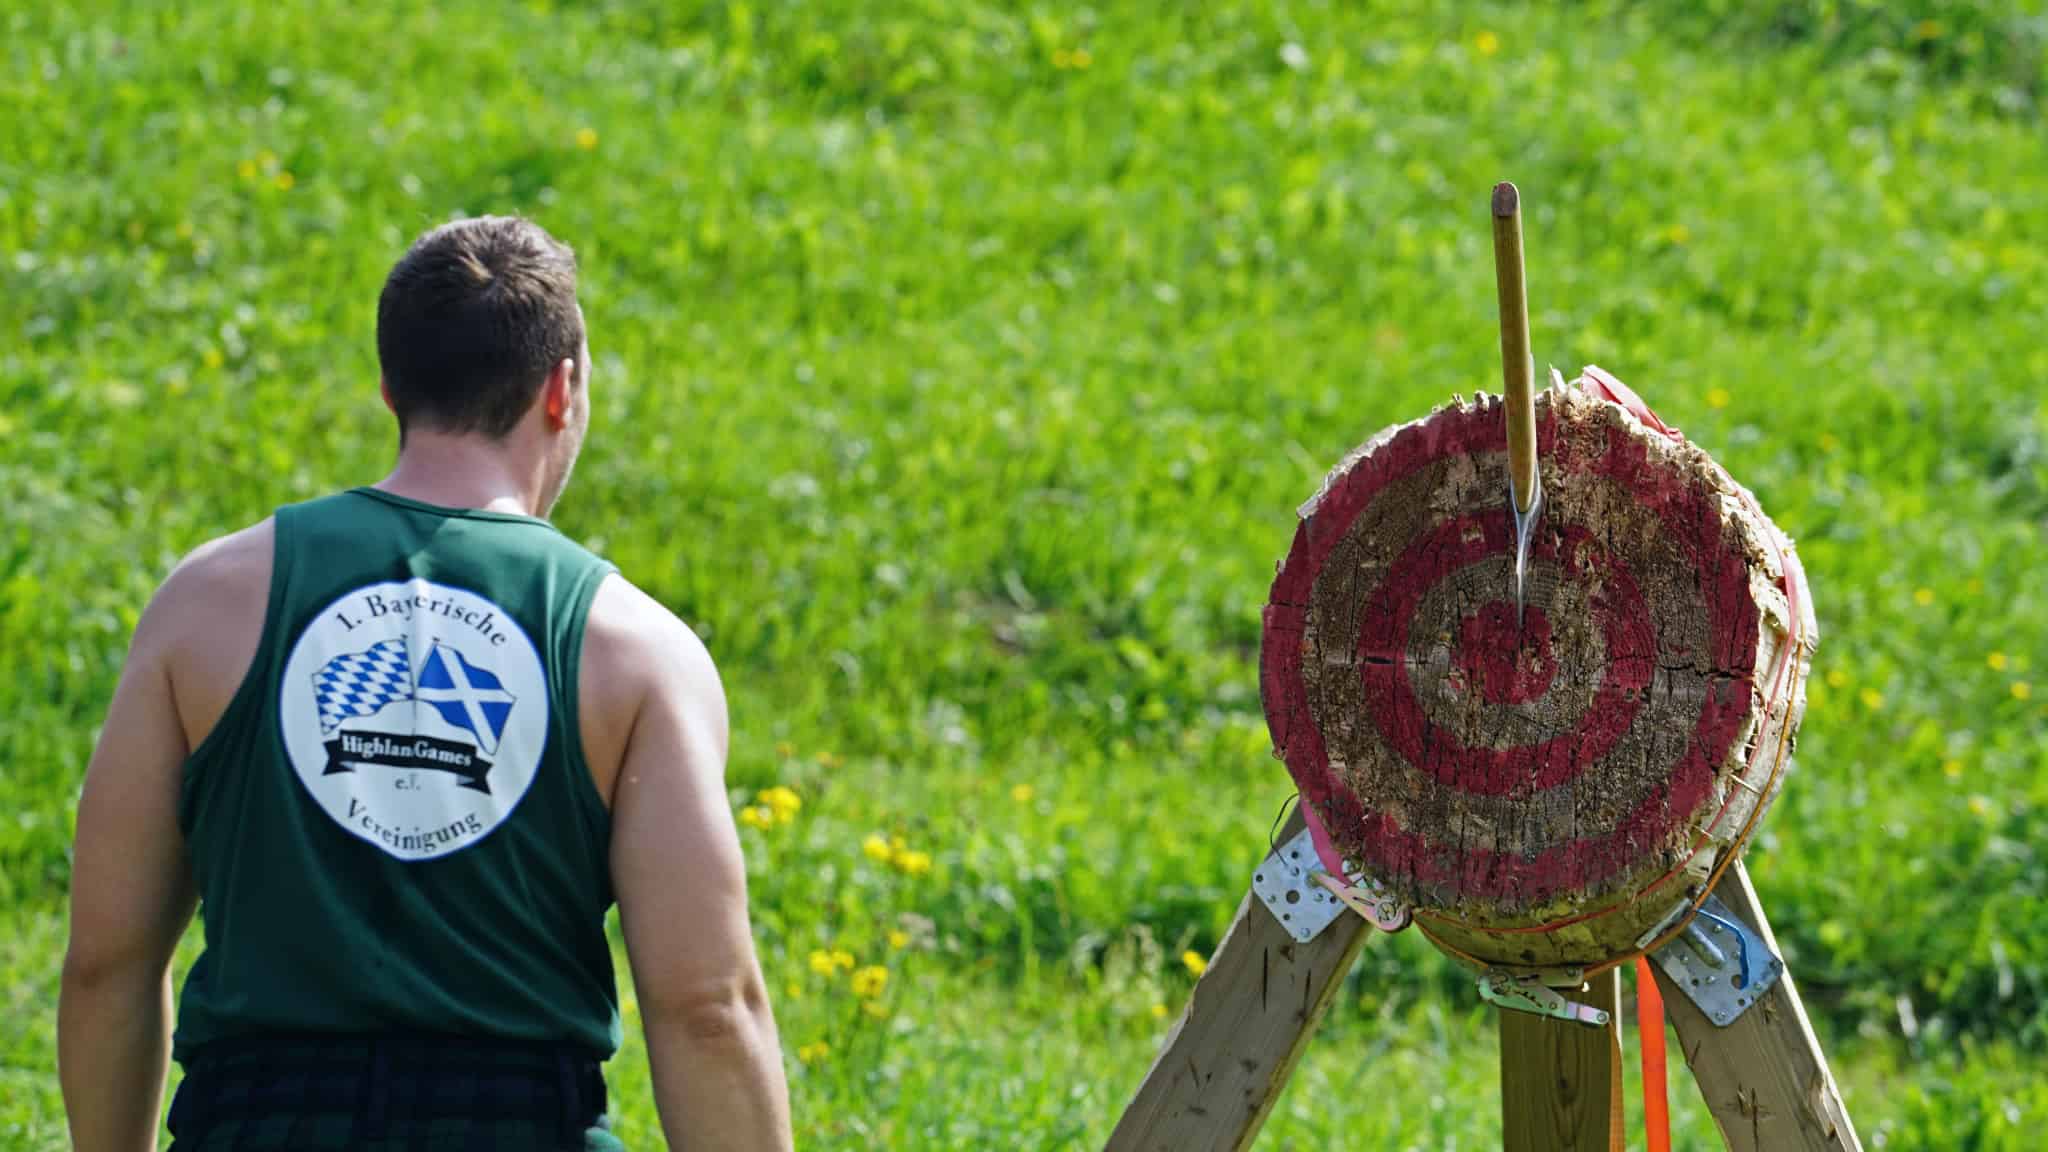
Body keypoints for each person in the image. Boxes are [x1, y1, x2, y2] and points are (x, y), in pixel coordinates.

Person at [59, 216, 793, 1151]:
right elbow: (706, 1008)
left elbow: (108, 964)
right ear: (561, 391)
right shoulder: (634, 649)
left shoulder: (206, 604)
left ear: (390, 387)